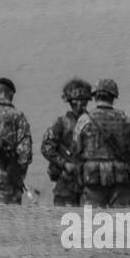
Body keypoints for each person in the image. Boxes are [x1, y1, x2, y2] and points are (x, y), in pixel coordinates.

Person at [74, 78, 130, 208]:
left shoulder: (84, 119)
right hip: (120, 175)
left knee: (93, 222)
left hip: (92, 177)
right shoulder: (125, 119)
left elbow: (76, 148)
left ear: (95, 96)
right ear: (113, 96)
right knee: (123, 221)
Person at [40, 78, 90, 207]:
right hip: (66, 180)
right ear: (71, 102)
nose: (80, 104)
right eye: (76, 101)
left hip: (89, 181)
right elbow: (47, 147)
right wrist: (64, 164)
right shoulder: (61, 123)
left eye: (83, 101)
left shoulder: (93, 122)